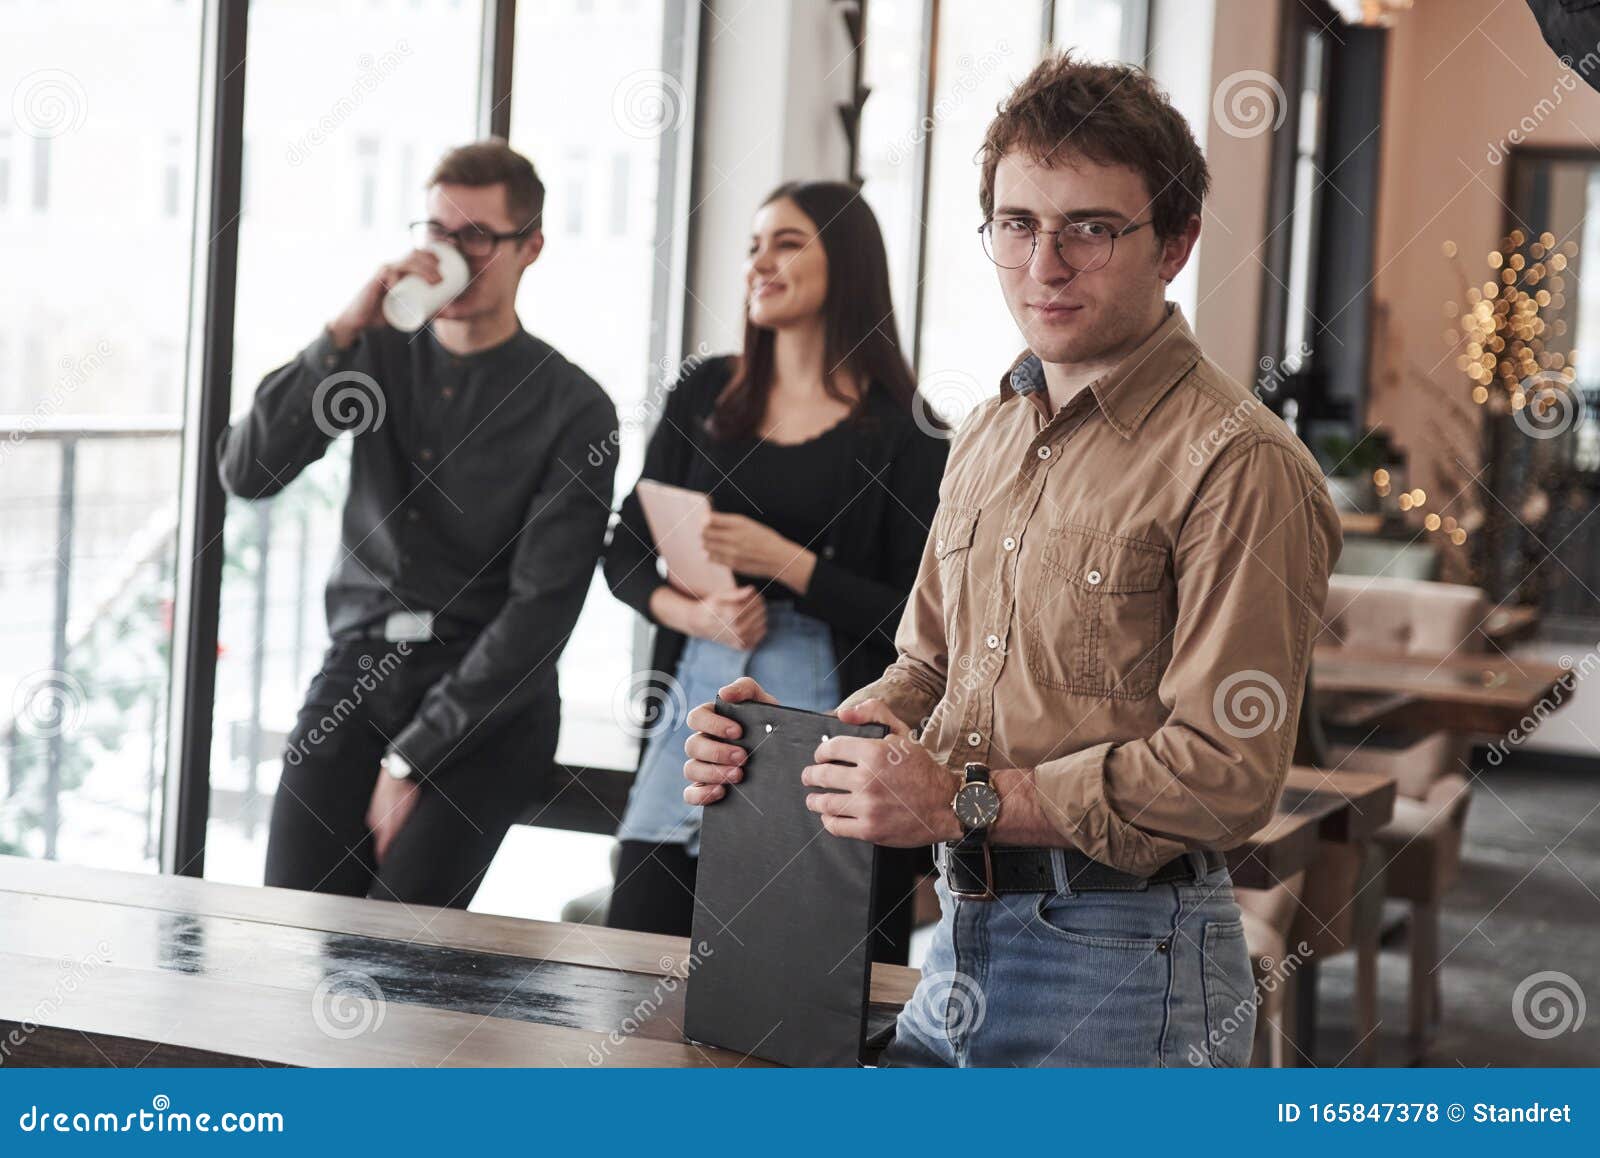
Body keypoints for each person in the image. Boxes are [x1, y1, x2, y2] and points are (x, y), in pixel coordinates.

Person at [681, 53, 1342, 1066]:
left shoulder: (1243, 465)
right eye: (1017, 224)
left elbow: (1226, 774)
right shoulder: (987, 433)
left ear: (1175, 242)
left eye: (1090, 228)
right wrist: (797, 746)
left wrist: (958, 801)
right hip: (962, 932)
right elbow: (930, 670)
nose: (1045, 265)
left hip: (1132, 963)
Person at [219, 140, 618, 909]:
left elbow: (540, 614)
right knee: (291, 927)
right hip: (359, 672)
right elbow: (249, 470)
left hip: (488, 698)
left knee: (398, 948)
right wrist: (340, 331)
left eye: (475, 236)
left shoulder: (574, 407)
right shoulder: (374, 355)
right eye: (436, 231)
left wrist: (408, 763)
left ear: (529, 247)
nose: (451, 254)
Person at [601, 181, 948, 962]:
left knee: (814, 986)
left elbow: (925, 628)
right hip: (697, 710)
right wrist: (698, 615)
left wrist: (788, 565)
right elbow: (623, 553)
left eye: (787, 243)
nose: (760, 261)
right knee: (639, 957)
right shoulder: (704, 396)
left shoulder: (911, 435)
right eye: (754, 245)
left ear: (848, 265)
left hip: (837, 738)